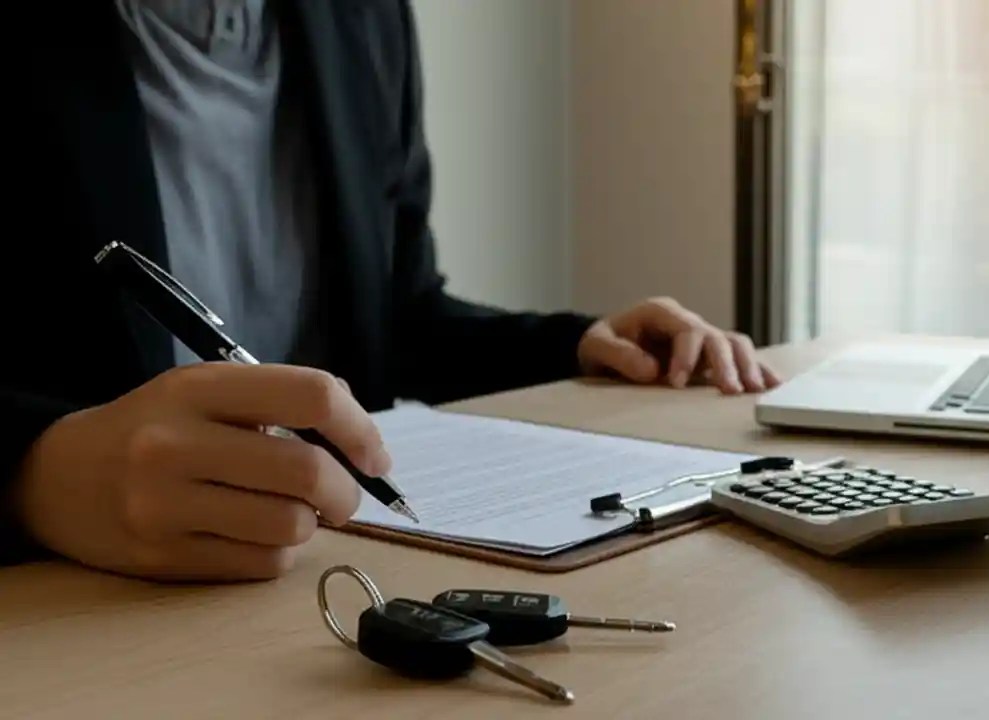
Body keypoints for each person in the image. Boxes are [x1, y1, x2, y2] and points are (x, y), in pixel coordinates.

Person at [0, 1, 781, 581]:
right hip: (79, 606)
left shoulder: (363, 19)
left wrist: (575, 342)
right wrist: (31, 473)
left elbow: (396, 315)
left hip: (334, 565)